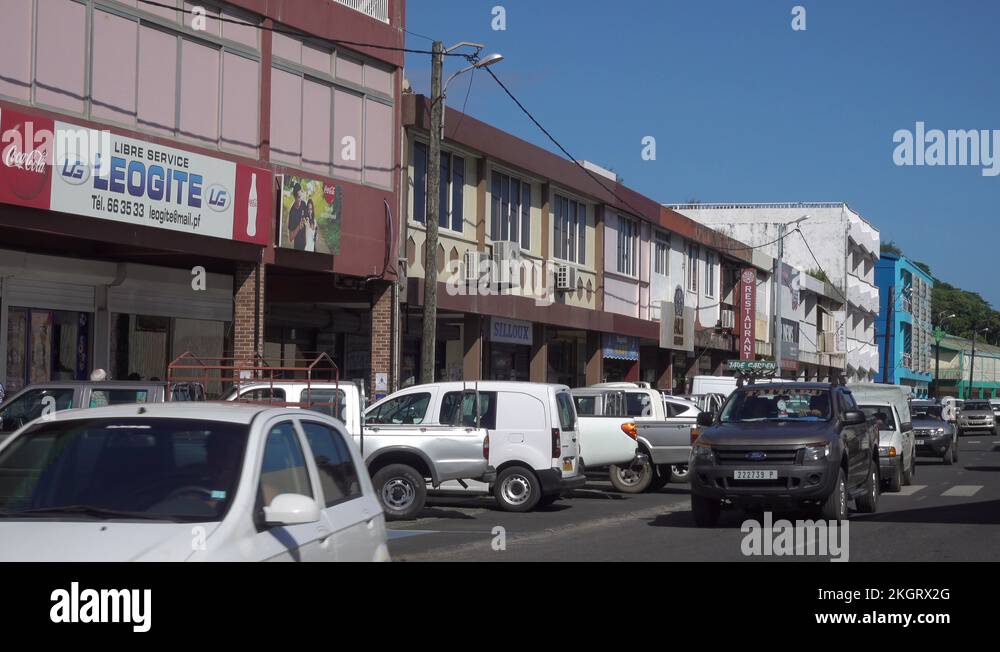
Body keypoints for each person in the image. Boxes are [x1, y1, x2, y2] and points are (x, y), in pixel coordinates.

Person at [286, 183, 307, 250]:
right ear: (295, 197)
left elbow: (307, 218)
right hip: (298, 246)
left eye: (301, 196)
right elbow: (291, 238)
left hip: (307, 244)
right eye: (299, 197)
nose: (301, 199)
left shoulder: (304, 204)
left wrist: (306, 221)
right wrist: (299, 226)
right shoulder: (292, 213)